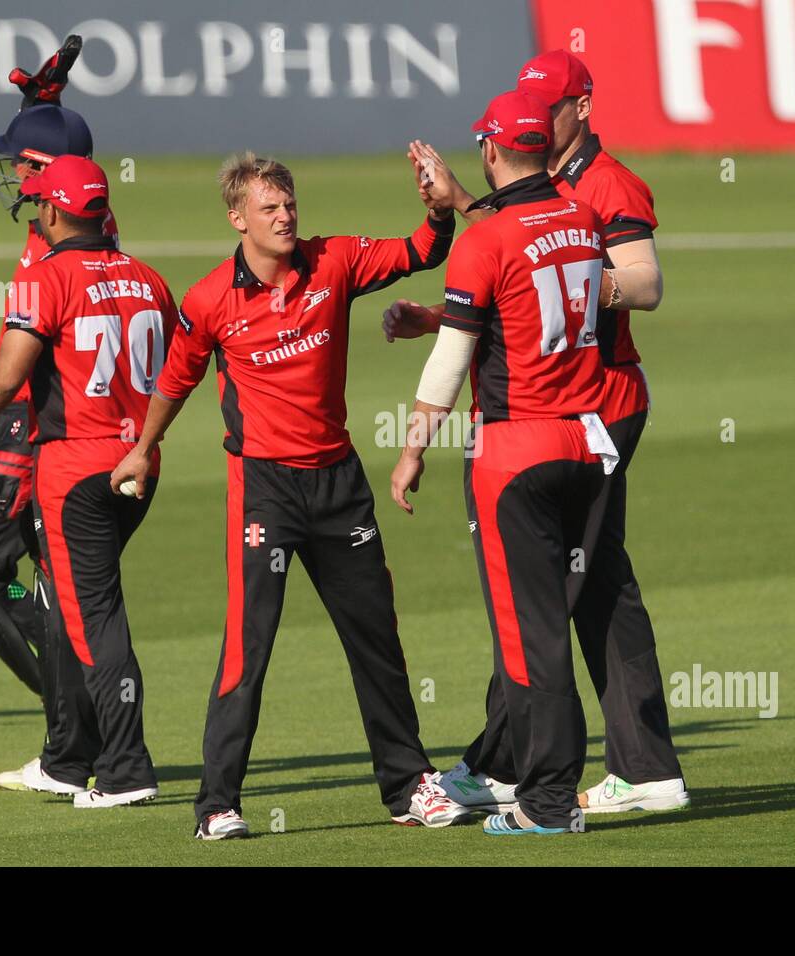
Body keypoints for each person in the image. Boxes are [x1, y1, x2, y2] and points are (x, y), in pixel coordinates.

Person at [109, 152, 468, 840]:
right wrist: (144, 447)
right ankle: (217, 803)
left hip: (339, 486)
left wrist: (438, 209)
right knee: (251, 646)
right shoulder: (211, 298)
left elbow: (422, 252)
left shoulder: (333, 260)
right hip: (264, 492)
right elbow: (175, 381)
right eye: (268, 208)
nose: (284, 216)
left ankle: (409, 786)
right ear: (236, 218)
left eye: (289, 203)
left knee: (376, 637)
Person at [385, 50, 688, 816]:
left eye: (549, 106)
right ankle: (632, 765)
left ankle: (519, 772)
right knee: (588, 584)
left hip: (586, 408)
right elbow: (519, 260)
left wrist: (545, 296)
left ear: (579, 109)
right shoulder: (561, 201)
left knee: (546, 594)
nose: (540, 118)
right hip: (570, 408)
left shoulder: (605, 186)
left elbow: (645, 284)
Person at [0, 156, 175, 808]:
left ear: (54, 211)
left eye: (40, 201)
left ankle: (124, 767)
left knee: (93, 617)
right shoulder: (151, 279)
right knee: (73, 607)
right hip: (140, 466)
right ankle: (68, 761)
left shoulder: (47, 277)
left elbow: (9, 374)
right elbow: (177, 374)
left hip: (74, 472)